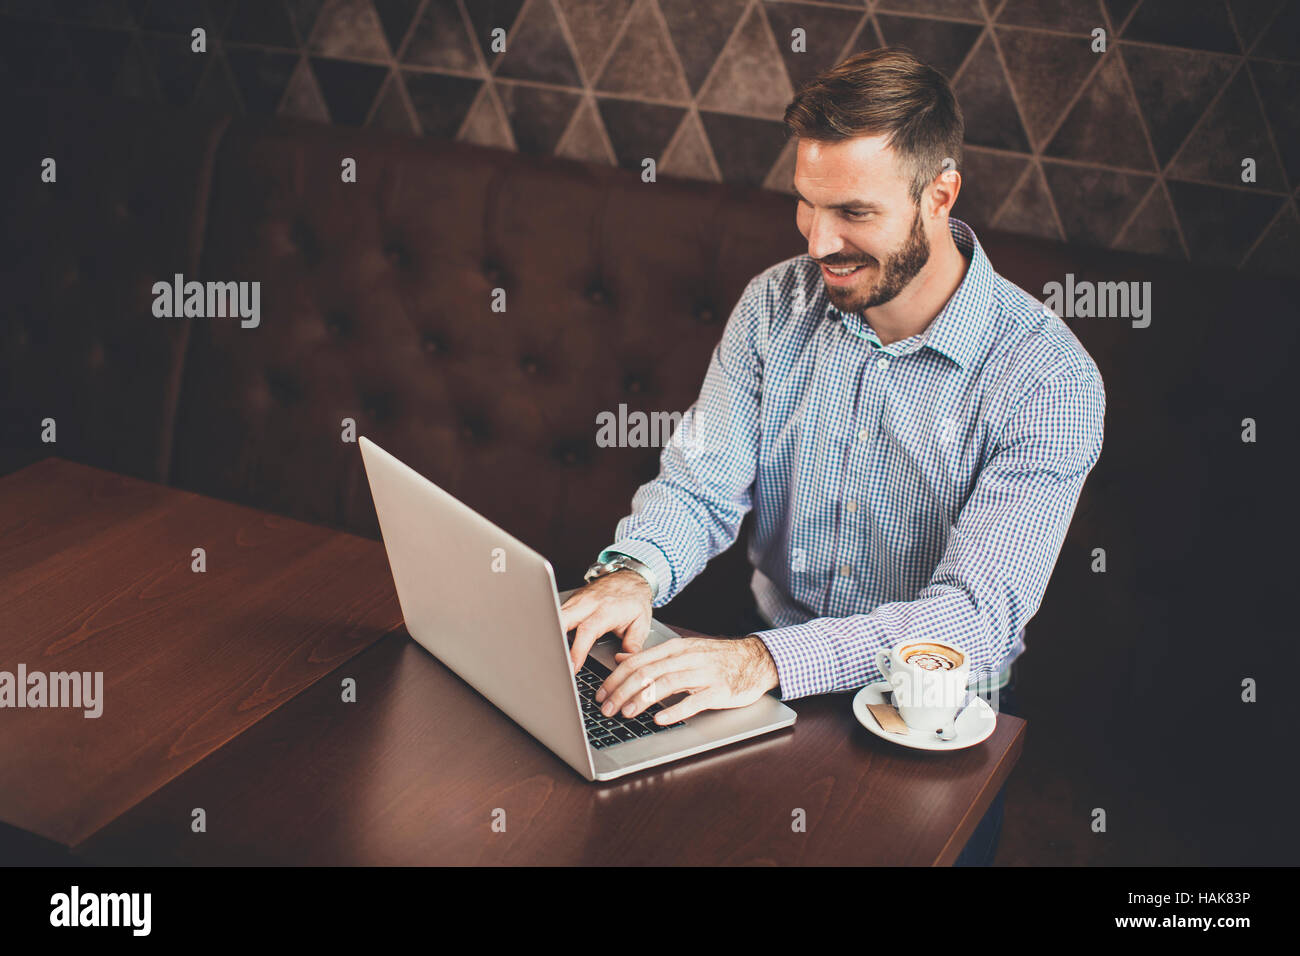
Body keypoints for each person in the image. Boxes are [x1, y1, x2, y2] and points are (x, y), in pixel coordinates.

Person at [560, 47, 1104, 865]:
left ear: (940, 195)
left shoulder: (1048, 379)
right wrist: (634, 572)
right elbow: (700, 487)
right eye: (806, 206)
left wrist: (761, 662)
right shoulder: (774, 306)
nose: (820, 242)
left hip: (931, 713)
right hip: (759, 674)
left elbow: (975, 618)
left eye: (853, 212)